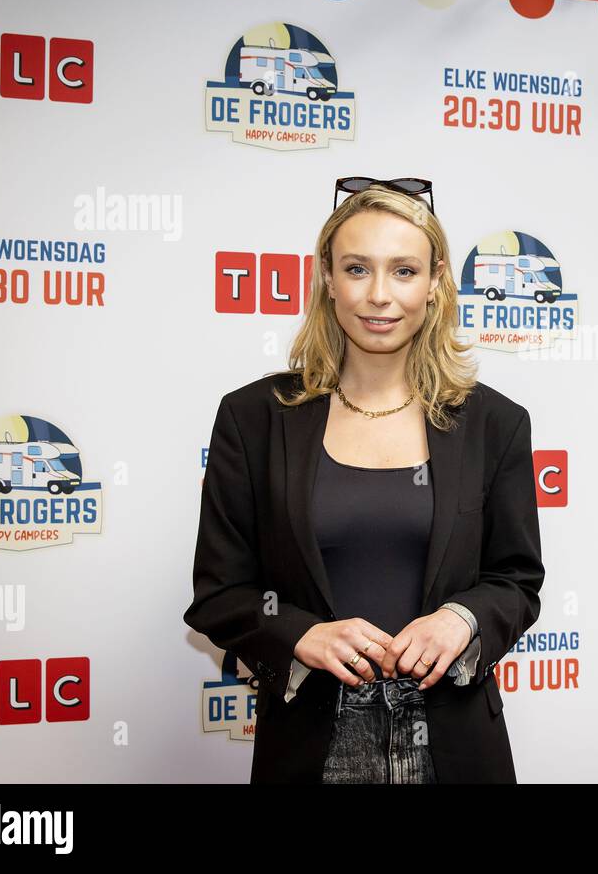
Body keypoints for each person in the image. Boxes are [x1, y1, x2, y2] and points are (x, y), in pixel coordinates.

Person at [183, 179, 544, 783]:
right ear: (327, 278)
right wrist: (300, 634)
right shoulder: (253, 418)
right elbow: (219, 594)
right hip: (309, 743)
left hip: (454, 745)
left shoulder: (495, 423)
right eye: (357, 268)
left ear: (435, 284)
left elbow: (516, 581)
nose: (380, 296)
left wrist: (463, 617)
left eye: (404, 271)